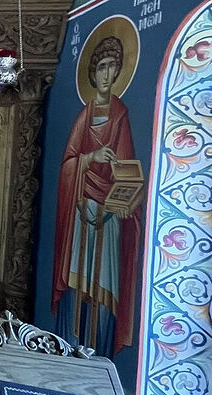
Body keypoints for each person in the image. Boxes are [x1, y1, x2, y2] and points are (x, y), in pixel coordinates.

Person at [52, 36, 140, 359]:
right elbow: (67, 165)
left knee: (104, 289)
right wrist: (91, 159)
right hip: (81, 211)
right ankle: (68, 350)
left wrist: (124, 194)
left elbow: (128, 168)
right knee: (78, 287)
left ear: (118, 71)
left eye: (112, 67)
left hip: (109, 216)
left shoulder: (121, 117)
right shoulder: (83, 117)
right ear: (93, 73)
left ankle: (100, 354)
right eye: (101, 67)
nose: (106, 73)